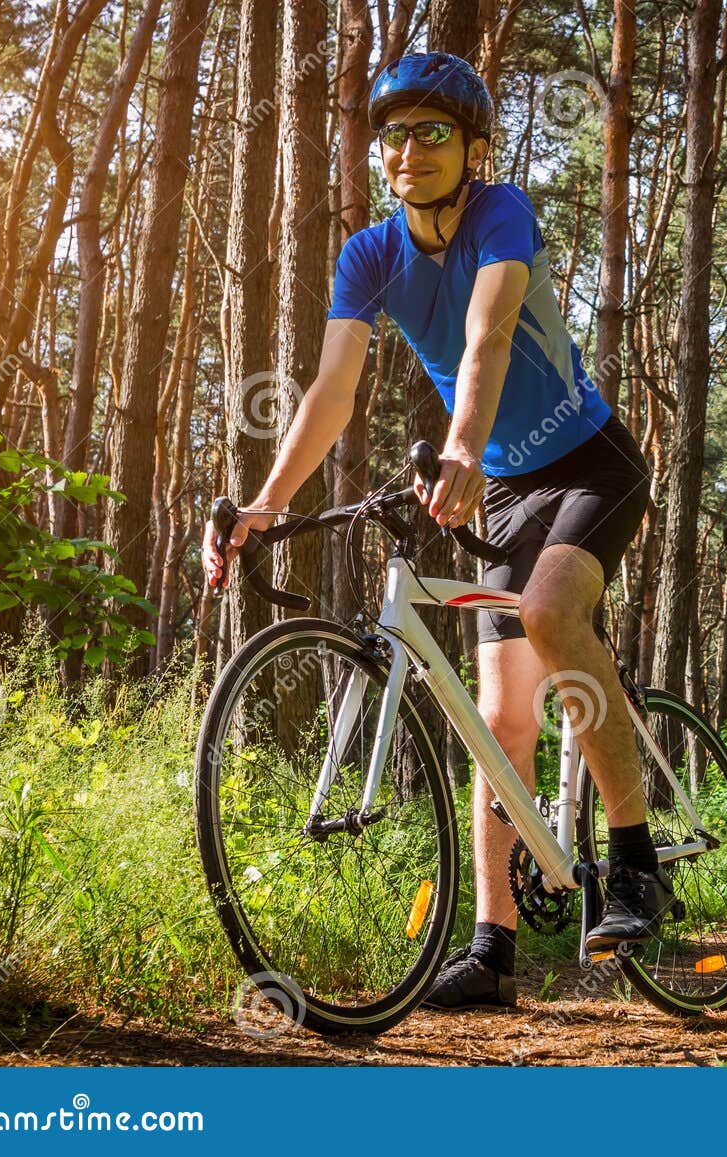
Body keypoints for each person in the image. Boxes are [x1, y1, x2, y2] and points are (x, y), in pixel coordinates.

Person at [201, 51, 667, 1010]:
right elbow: (332, 391)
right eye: (393, 135)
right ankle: (492, 948)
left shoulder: (502, 214)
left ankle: (634, 862)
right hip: (502, 489)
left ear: (473, 148)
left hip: (591, 464)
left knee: (551, 611)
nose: (408, 150)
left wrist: (459, 445)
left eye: (432, 132)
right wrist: (266, 504)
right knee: (500, 723)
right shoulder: (369, 256)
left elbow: (485, 336)